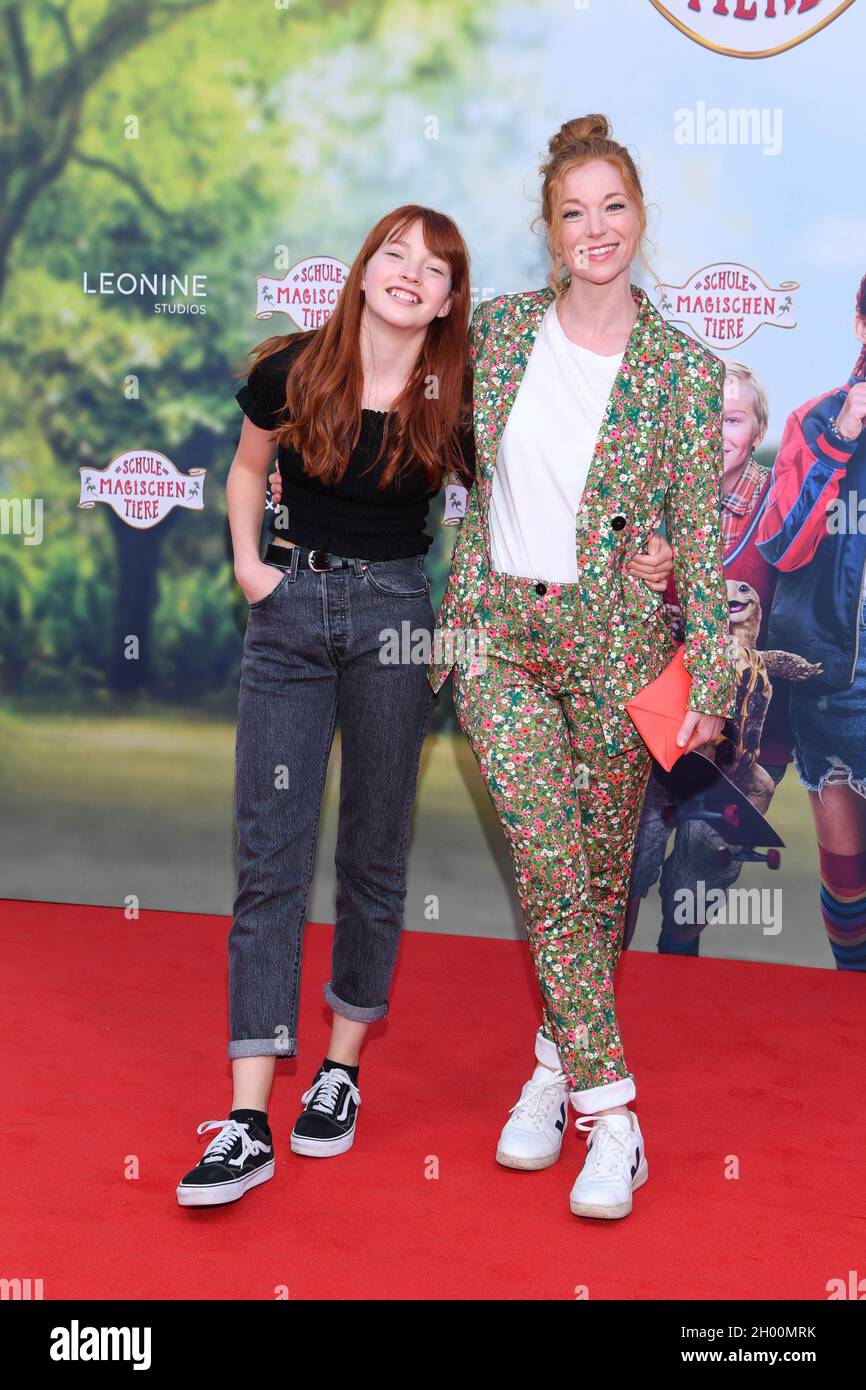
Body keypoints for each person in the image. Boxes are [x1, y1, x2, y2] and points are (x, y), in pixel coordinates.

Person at [427, 114, 736, 1220]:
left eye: (613, 207)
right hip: (500, 638)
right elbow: (410, 428)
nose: (594, 228)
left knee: (598, 890)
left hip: (618, 651)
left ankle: (552, 1071)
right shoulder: (500, 333)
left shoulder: (684, 374)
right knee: (550, 857)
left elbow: (699, 542)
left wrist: (710, 678)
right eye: (573, 212)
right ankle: (616, 1117)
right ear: (548, 231)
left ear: (638, 218)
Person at [176, 205, 476, 1205]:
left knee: (371, 853)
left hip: (397, 617)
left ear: (445, 301)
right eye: (393, 253)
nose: (408, 274)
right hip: (289, 614)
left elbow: (496, 514)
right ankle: (248, 1118)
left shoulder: (456, 397)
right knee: (267, 859)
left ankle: (341, 1072)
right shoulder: (293, 369)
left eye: (432, 269)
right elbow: (247, 468)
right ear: (363, 268)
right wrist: (250, 571)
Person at [625, 361, 794, 956]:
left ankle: (678, 977)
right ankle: (599, 997)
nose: (713, 430)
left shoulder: (783, 507)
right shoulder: (648, 496)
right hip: (650, 718)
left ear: (757, 427)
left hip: (739, 735)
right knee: (627, 858)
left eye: (730, 418)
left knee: (702, 865)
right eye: (699, 416)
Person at [755, 272, 866, 971]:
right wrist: (840, 444)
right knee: (848, 873)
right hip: (838, 681)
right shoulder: (815, 420)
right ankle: (852, 1007)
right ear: (861, 325)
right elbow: (786, 546)